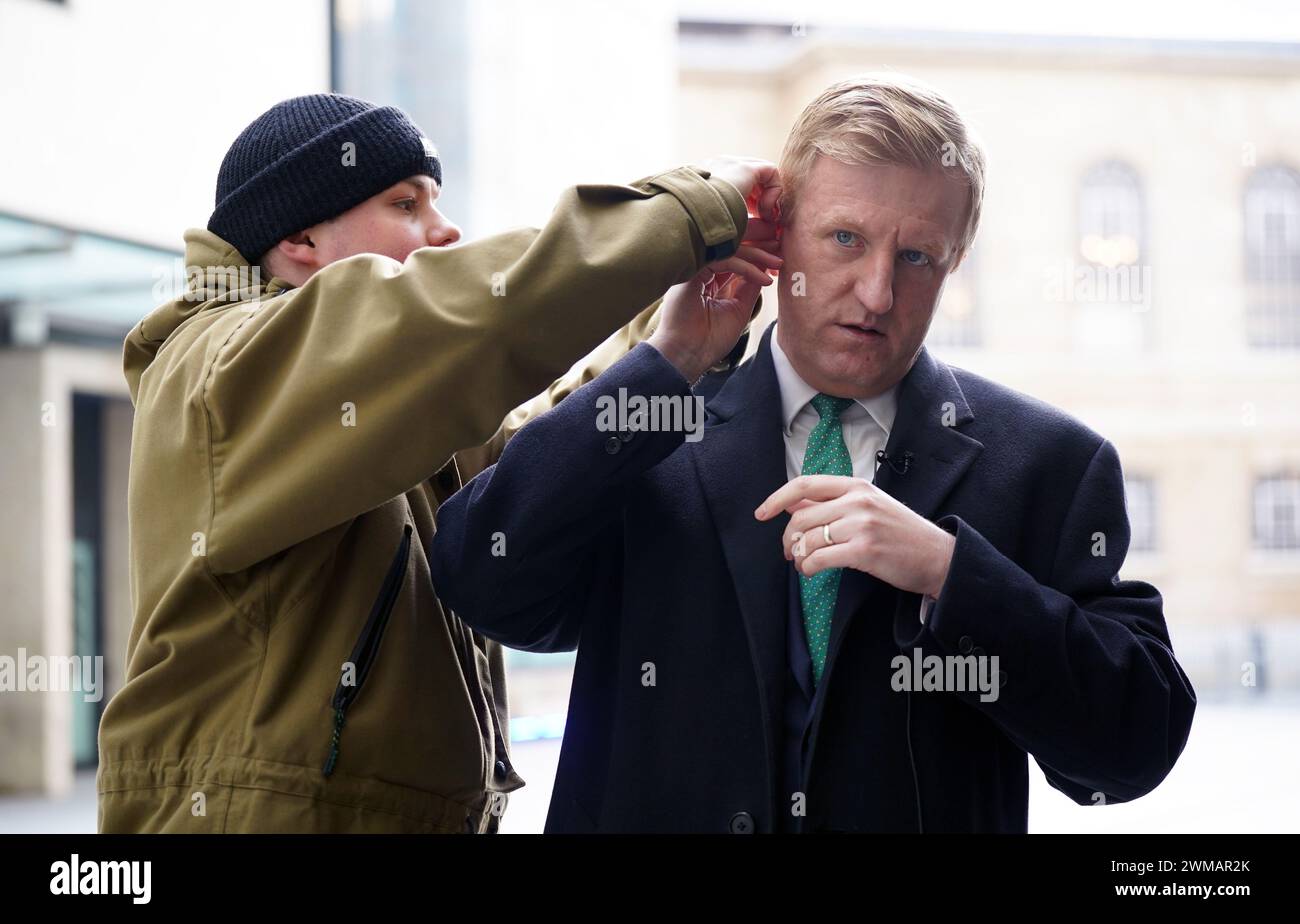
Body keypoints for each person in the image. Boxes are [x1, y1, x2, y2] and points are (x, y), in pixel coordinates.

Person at [429, 74, 1197, 833]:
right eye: (845, 240)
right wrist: (665, 362)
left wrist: (950, 574)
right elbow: (480, 581)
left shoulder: (1048, 464)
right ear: (777, 232)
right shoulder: (652, 423)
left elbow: (1133, 747)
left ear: (955, 260)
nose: (876, 293)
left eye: (917, 257)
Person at [96, 92, 781, 833]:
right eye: (405, 202)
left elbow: (534, 469)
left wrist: (672, 349)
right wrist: (685, 212)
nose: (446, 228)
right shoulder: (222, 367)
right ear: (299, 237)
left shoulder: (383, 408)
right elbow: (459, 317)